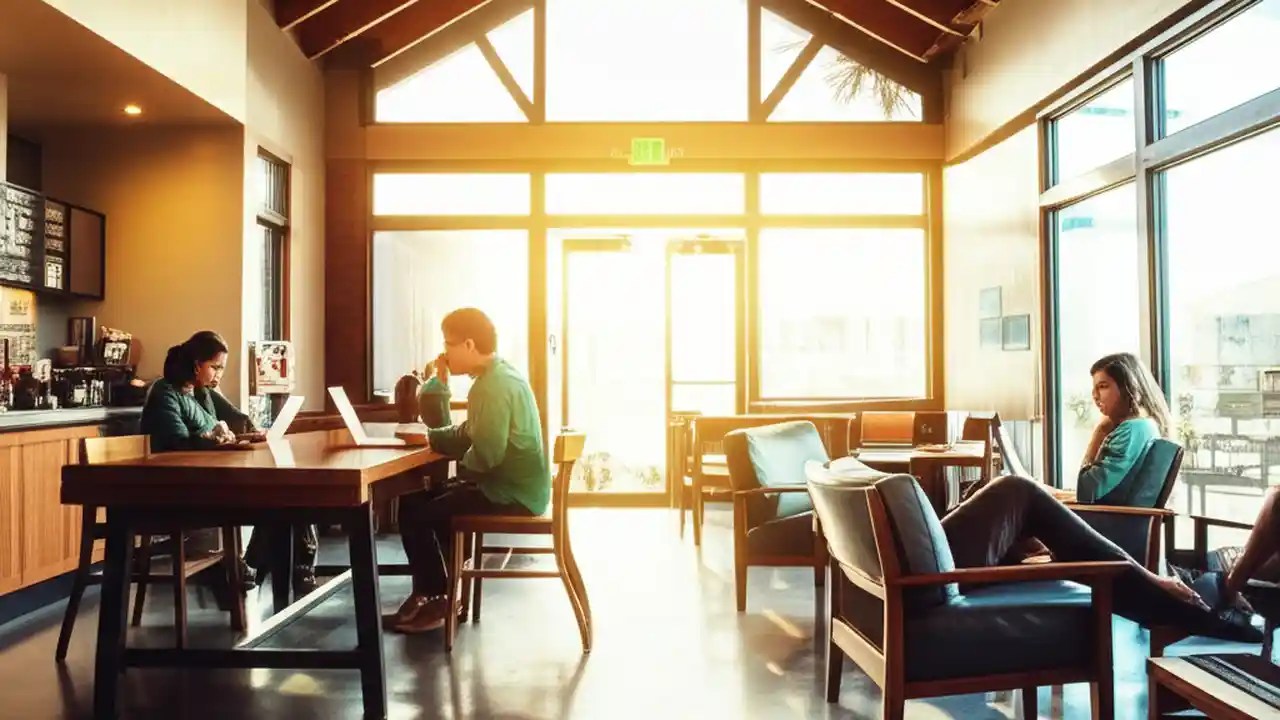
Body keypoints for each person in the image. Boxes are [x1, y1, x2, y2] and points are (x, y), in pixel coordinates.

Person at [942, 473, 1259, 641]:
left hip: (922, 565)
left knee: (1013, 494)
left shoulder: (1131, 431)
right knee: (1016, 489)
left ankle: (1165, 591)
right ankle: (1167, 595)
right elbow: (1088, 480)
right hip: (928, 573)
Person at [386, 308, 548, 634]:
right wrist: (433, 438)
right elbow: (470, 435)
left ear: (470, 345)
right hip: (516, 488)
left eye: (449, 344)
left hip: (511, 494)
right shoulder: (500, 375)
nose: (444, 352)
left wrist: (458, 476)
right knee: (419, 502)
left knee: (420, 513)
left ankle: (437, 597)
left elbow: (486, 456)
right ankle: (440, 595)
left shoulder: (490, 387)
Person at [140, 331, 318, 592]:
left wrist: (252, 433)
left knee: (285, 492)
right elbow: (177, 445)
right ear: (195, 364)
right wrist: (213, 440)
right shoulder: (165, 393)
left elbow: (235, 419)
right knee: (279, 497)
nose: (218, 374)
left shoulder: (202, 392)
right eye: (214, 367)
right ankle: (262, 568)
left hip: (207, 478)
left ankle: (260, 566)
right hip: (178, 487)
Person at [1076, 352, 1172, 503]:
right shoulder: (1146, 426)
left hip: (1106, 523)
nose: (1095, 395)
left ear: (1129, 388)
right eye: (1094, 388)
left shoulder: (1130, 430)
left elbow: (1086, 493)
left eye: (1102, 386)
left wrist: (1099, 432)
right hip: (1119, 520)